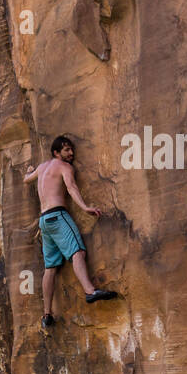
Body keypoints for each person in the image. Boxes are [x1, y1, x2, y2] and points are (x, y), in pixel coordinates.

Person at [23, 135, 119, 330]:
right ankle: (90, 290)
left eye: (71, 149)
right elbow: (71, 187)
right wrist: (84, 207)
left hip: (44, 221)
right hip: (58, 216)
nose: (71, 153)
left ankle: (46, 313)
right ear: (56, 152)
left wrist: (29, 171)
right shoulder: (64, 167)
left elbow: (27, 180)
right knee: (78, 252)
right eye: (66, 150)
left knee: (50, 267)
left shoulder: (42, 168)